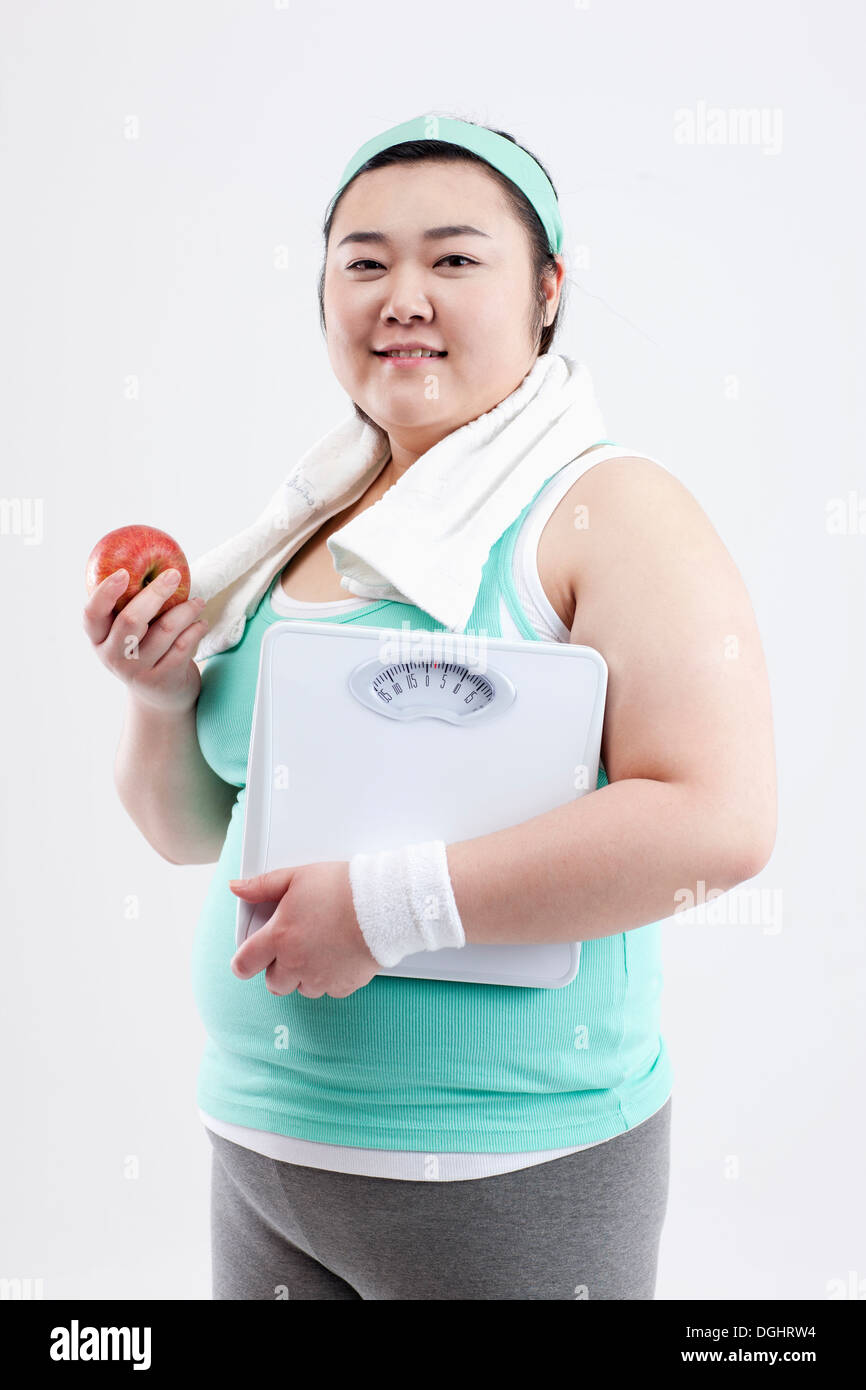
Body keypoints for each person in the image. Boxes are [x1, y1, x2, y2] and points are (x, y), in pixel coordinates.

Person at [87, 114, 777, 1300]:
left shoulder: (610, 509)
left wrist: (386, 909)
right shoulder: (302, 527)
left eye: (453, 260)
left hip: (505, 1168)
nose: (401, 294)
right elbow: (193, 831)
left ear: (547, 289)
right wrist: (159, 700)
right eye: (363, 263)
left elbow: (719, 825)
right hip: (258, 1149)